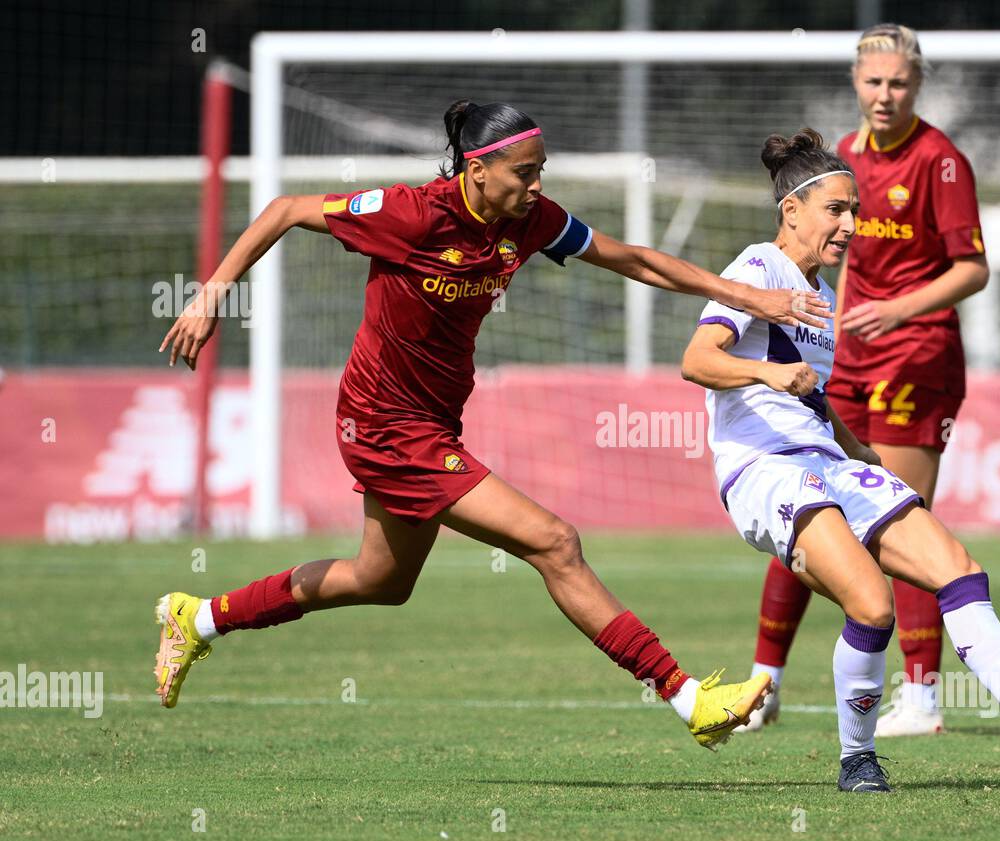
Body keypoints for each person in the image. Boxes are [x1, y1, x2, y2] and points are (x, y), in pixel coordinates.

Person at [153, 100, 834, 751]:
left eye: (542, 171)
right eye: (524, 173)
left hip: (432, 423)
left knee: (380, 580)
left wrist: (746, 296)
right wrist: (211, 296)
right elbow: (284, 210)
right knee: (554, 542)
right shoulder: (411, 212)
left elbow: (632, 258)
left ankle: (199, 617)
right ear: (476, 169)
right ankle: (688, 698)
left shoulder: (530, 220)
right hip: (385, 425)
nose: (537, 186)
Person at [681, 128, 1000, 791]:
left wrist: (860, 453)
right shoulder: (758, 266)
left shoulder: (823, 298)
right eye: (836, 210)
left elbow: (813, 400)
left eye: (855, 211)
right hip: (764, 471)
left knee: (959, 571)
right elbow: (697, 360)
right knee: (872, 604)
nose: (850, 225)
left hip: (826, 460)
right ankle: (857, 758)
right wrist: (768, 375)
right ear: (791, 211)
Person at [740, 24, 989, 737]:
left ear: (918, 85)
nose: (886, 95)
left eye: (899, 83)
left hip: (918, 359)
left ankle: (923, 699)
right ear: (856, 82)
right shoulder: (843, 158)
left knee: (898, 516)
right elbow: (833, 264)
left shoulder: (941, 161)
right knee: (803, 510)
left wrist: (896, 310)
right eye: (874, 82)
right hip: (845, 362)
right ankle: (765, 683)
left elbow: (973, 269)